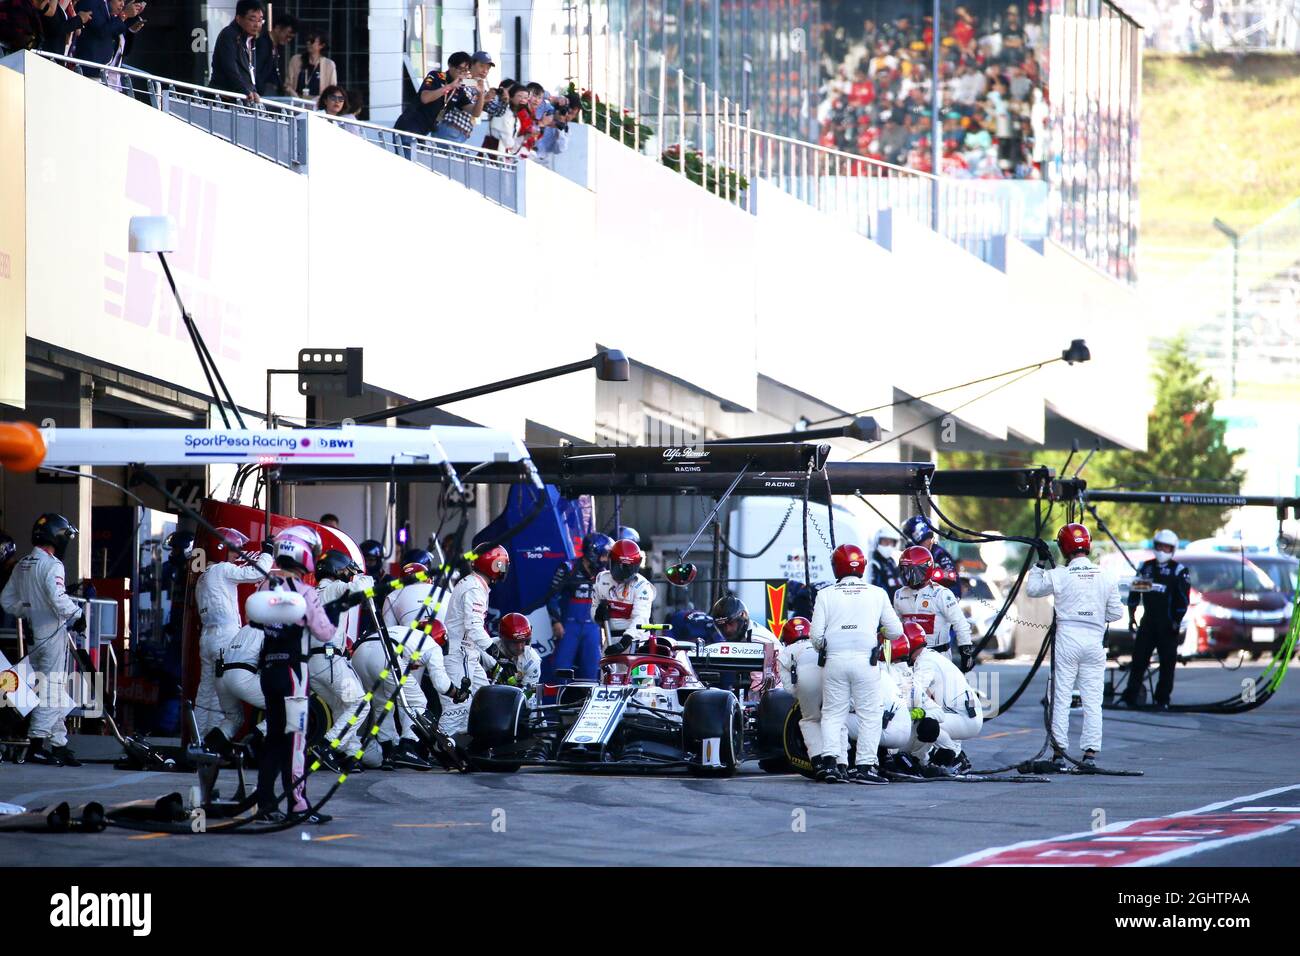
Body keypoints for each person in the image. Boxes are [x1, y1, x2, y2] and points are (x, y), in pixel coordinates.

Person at [252, 526, 335, 824]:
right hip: (293, 674)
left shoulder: (265, 586)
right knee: (295, 741)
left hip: (269, 672)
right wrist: (334, 611)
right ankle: (298, 805)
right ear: (303, 554)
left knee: (274, 738)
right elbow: (325, 633)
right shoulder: (305, 592)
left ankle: (265, 803)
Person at [1026, 523, 1123, 771]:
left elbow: (1033, 589)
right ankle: (1089, 754)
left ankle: (1059, 753)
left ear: (1064, 547)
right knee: (1093, 700)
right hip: (1094, 641)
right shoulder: (1107, 576)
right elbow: (1115, 613)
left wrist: (1039, 564)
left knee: (1060, 698)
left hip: (1067, 640)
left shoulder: (1059, 574)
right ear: (1087, 545)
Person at [811, 542, 903, 784]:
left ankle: (831, 763)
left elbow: (816, 637)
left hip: (834, 661)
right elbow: (896, 631)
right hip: (866, 661)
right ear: (861, 566)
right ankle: (864, 766)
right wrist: (877, 631)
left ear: (836, 568)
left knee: (832, 713)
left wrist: (828, 646)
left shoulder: (825, 595)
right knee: (870, 715)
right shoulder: (877, 593)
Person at [0, 514, 83, 766]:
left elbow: (6, 600)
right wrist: (77, 614)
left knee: (53, 689)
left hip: (35, 637)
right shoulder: (52, 565)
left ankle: (59, 744)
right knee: (52, 689)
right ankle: (37, 744)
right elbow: (58, 599)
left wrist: (30, 610)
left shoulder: (23, 563)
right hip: (52, 635)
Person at [194, 527, 273, 743]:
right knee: (221, 698)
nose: (237, 555)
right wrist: (268, 553)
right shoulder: (222, 570)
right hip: (224, 638)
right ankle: (212, 746)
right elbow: (256, 573)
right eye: (233, 550)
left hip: (207, 638)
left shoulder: (202, 578)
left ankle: (199, 742)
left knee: (205, 694)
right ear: (221, 550)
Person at [311, 550, 372, 771]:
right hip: (330, 662)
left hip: (314, 664)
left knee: (343, 705)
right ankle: (327, 746)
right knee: (360, 704)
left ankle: (350, 754)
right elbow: (363, 588)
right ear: (337, 569)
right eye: (346, 569)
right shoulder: (335, 588)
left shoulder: (312, 592)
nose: (349, 574)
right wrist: (362, 574)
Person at [441, 545, 510, 733]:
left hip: (465, 653)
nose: (504, 570)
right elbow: (474, 628)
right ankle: (441, 750)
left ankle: (478, 744)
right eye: (501, 565)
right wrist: (499, 655)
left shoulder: (474, 584)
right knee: (457, 708)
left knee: (485, 699)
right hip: (459, 653)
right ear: (492, 564)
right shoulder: (474, 588)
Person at [900, 623, 983, 774]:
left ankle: (955, 757)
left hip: (964, 718)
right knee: (926, 717)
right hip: (966, 714)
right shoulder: (930, 656)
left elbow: (913, 693)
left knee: (925, 724)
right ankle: (921, 760)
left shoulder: (925, 663)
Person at [1122, 529, 1190, 710]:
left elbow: (1182, 600)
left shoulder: (1179, 571)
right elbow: (1135, 593)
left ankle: (1162, 700)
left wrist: (1176, 620)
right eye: (1160, 546)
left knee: (1167, 664)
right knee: (1138, 661)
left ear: (1173, 549)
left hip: (1168, 626)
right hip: (1147, 624)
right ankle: (1131, 696)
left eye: (1167, 547)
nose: (1162, 550)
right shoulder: (1146, 567)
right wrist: (1131, 616)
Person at [777, 616, 846, 777]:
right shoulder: (819, 644)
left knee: (810, 720)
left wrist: (804, 697)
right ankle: (841, 765)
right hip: (831, 676)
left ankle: (819, 763)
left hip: (805, 680)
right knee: (836, 719)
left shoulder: (786, 652)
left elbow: (788, 687)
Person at [545, 530, 612, 681]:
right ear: (592, 553)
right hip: (569, 627)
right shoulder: (568, 568)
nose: (605, 559)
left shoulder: (606, 574)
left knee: (593, 670)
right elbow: (552, 596)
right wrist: (555, 622)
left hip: (593, 628)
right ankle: (560, 703)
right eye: (603, 555)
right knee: (561, 668)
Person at [893, 544, 973, 669]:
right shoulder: (899, 595)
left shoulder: (942, 594)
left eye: (911, 570)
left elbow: (960, 623)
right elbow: (895, 627)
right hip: (908, 660)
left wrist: (966, 651)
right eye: (904, 570)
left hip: (938, 658)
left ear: (925, 569)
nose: (907, 575)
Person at [592, 538, 656, 656]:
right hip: (610, 639)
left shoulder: (642, 586)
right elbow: (594, 606)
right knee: (608, 674)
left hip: (637, 642)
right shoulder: (602, 579)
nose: (621, 572)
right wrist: (597, 614)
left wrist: (625, 641)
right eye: (617, 566)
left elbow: (641, 618)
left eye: (627, 568)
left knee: (635, 674)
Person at [209, 0, 278, 102]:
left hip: (241, 100)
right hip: (223, 99)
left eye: (260, 20)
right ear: (238, 18)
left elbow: (250, 72)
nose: (257, 25)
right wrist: (245, 90)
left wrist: (253, 91)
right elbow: (230, 69)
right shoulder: (228, 35)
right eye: (252, 19)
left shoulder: (251, 39)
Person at [393, 52, 469, 143]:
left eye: (466, 70)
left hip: (423, 133)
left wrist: (481, 95)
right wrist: (450, 86)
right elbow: (425, 98)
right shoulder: (435, 76)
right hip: (408, 127)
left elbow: (474, 112)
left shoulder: (459, 89)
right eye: (460, 68)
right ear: (450, 66)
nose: (462, 73)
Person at [433, 50, 506, 144]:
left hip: (459, 134)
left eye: (488, 68)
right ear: (471, 65)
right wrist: (484, 99)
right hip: (449, 128)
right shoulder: (462, 80)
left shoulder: (478, 86)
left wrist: (505, 100)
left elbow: (496, 112)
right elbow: (466, 103)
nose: (485, 71)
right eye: (482, 66)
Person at [70, 0, 142, 77]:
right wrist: (125, 14)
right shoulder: (91, 2)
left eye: (124, 1)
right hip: (86, 70)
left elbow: (116, 35)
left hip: (103, 71)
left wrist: (131, 24)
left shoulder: (108, 9)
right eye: (119, 0)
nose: (122, 5)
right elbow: (102, 31)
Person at [901, 514, 961, 597]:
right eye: (926, 540)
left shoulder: (939, 554)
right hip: (913, 601)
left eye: (929, 539)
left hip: (937, 603)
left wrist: (931, 575)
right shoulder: (907, 556)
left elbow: (952, 577)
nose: (929, 543)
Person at [494, 612, 541, 704]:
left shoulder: (532, 660)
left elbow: (529, 695)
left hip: (517, 702)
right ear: (503, 639)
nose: (519, 648)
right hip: (489, 698)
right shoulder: (486, 651)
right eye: (514, 643)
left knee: (532, 711)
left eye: (523, 642)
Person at [285, 29, 336, 100]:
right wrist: (294, 96)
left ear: (321, 45)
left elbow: (332, 89)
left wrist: (318, 100)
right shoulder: (296, 60)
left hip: (317, 105)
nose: (308, 43)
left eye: (312, 41)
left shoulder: (329, 65)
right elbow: (287, 85)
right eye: (307, 40)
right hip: (296, 102)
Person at [868, 527, 902, 598]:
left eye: (891, 542)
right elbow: (874, 589)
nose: (889, 546)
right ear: (877, 541)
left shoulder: (891, 561)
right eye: (885, 542)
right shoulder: (873, 563)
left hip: (897, 603)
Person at [266, 11, 295, 91]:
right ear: (278, 28)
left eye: (291, 38)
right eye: (287, 35)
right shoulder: (263, 44)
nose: (288, 40)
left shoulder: (277, 47)